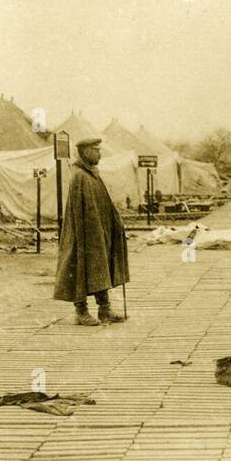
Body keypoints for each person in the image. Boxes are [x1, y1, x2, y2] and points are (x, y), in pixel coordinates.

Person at [54, 137, 128, 325]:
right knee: (80, 269)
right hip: (84, 236)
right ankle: (81, 311)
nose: (100, 154)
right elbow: (77, 211)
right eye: (97, 150)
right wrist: (84, 236)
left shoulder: (93, 174)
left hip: (98, 233)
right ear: (86, 151)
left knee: (100, 268)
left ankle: (105, 309)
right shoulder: (79, 176)